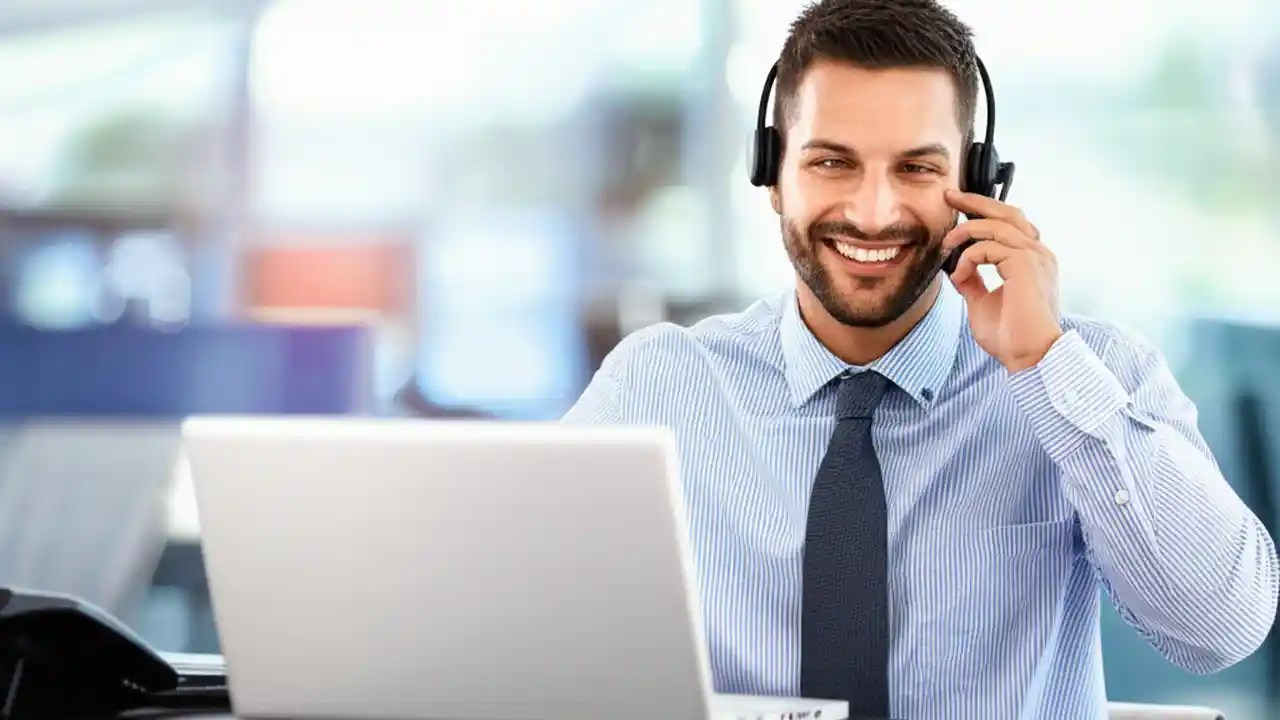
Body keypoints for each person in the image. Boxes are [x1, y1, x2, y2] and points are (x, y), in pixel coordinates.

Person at [562, 0, 1280, 718]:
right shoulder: (659, 383)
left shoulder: (1096, 373)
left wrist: (1043, 363)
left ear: (979, 184)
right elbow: (527, 626)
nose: (873, 213)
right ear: (773, 173)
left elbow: (1218, 632)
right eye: (831, 162)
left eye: (915, 168)